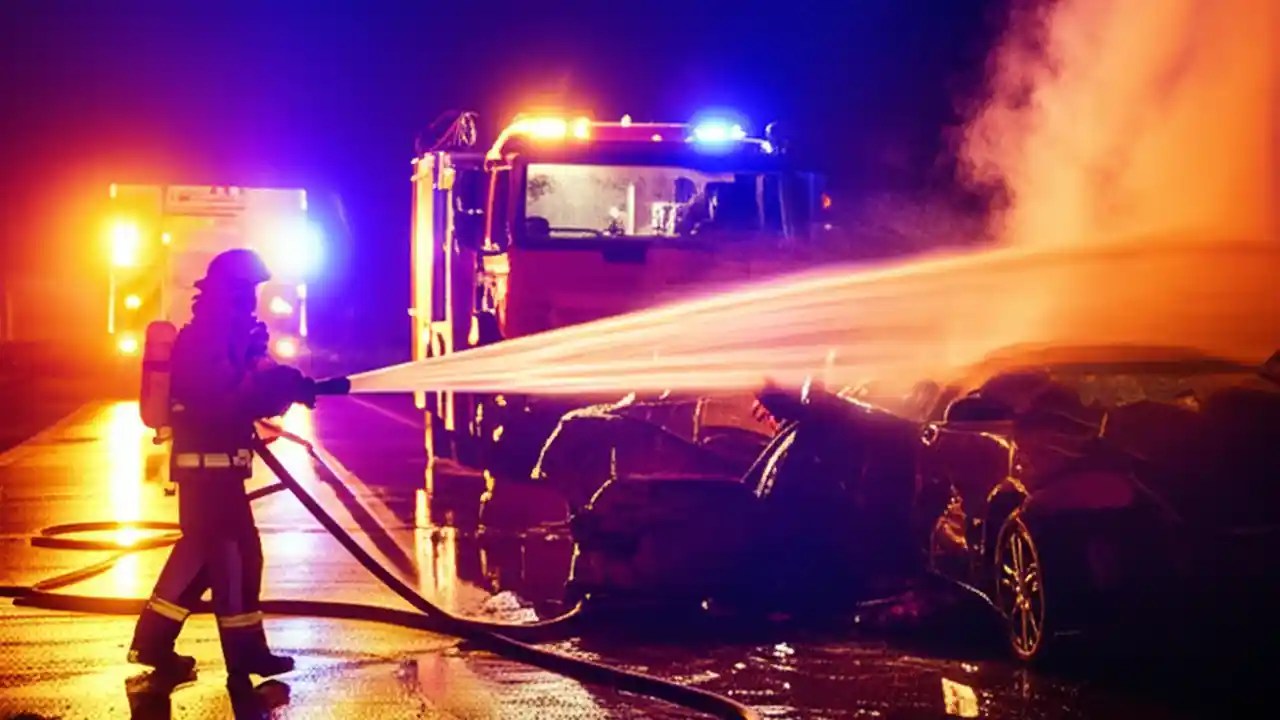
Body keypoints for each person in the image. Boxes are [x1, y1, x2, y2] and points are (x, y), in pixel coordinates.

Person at [128, 249, 318, 679]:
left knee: (206, 555)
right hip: (207, 469)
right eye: (247, 289)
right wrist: (279, 386)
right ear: (229, 291)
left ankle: (153, 644)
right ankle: (243, 654)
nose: (252, 299)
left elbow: (254, 381)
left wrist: (287, 382)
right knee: (233, 555)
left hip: (217, 466)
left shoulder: (229, 335)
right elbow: (225, 398)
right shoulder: (208, 339)